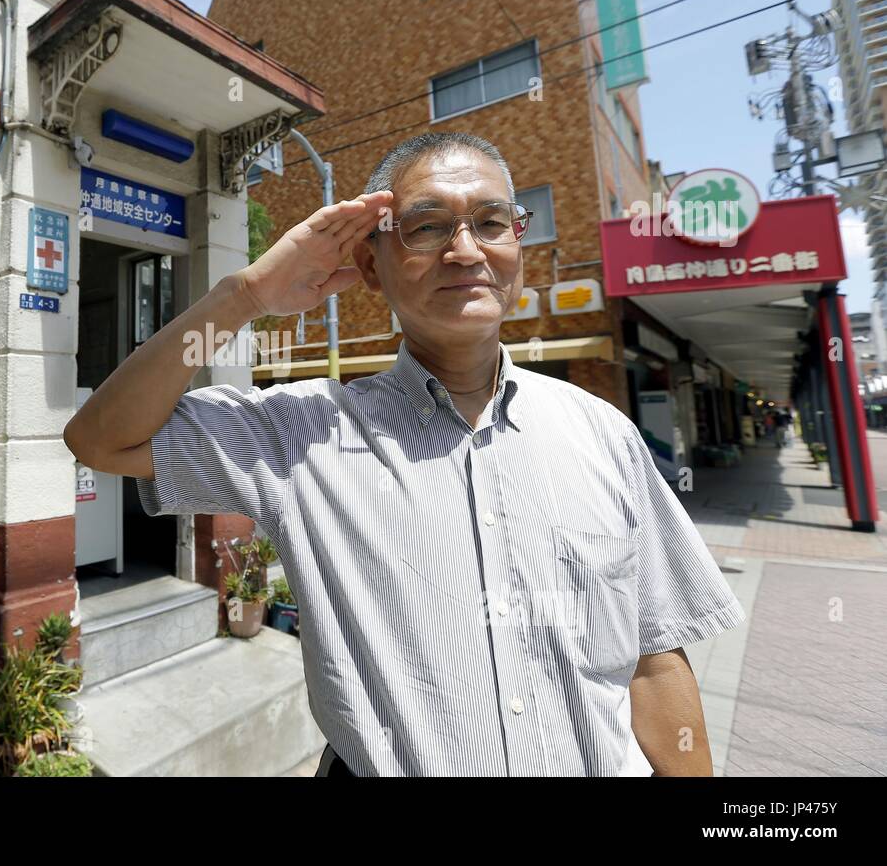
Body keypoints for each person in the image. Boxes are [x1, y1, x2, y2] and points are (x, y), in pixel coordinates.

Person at [64, 131, 745, 776]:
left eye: (490, 222)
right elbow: (101, 437)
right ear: (370, 263)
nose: (465, 250)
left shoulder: (602, 432)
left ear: (518, 241)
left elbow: (655, 656)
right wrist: (245, 297)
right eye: (426, 225)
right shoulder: (302, 434)